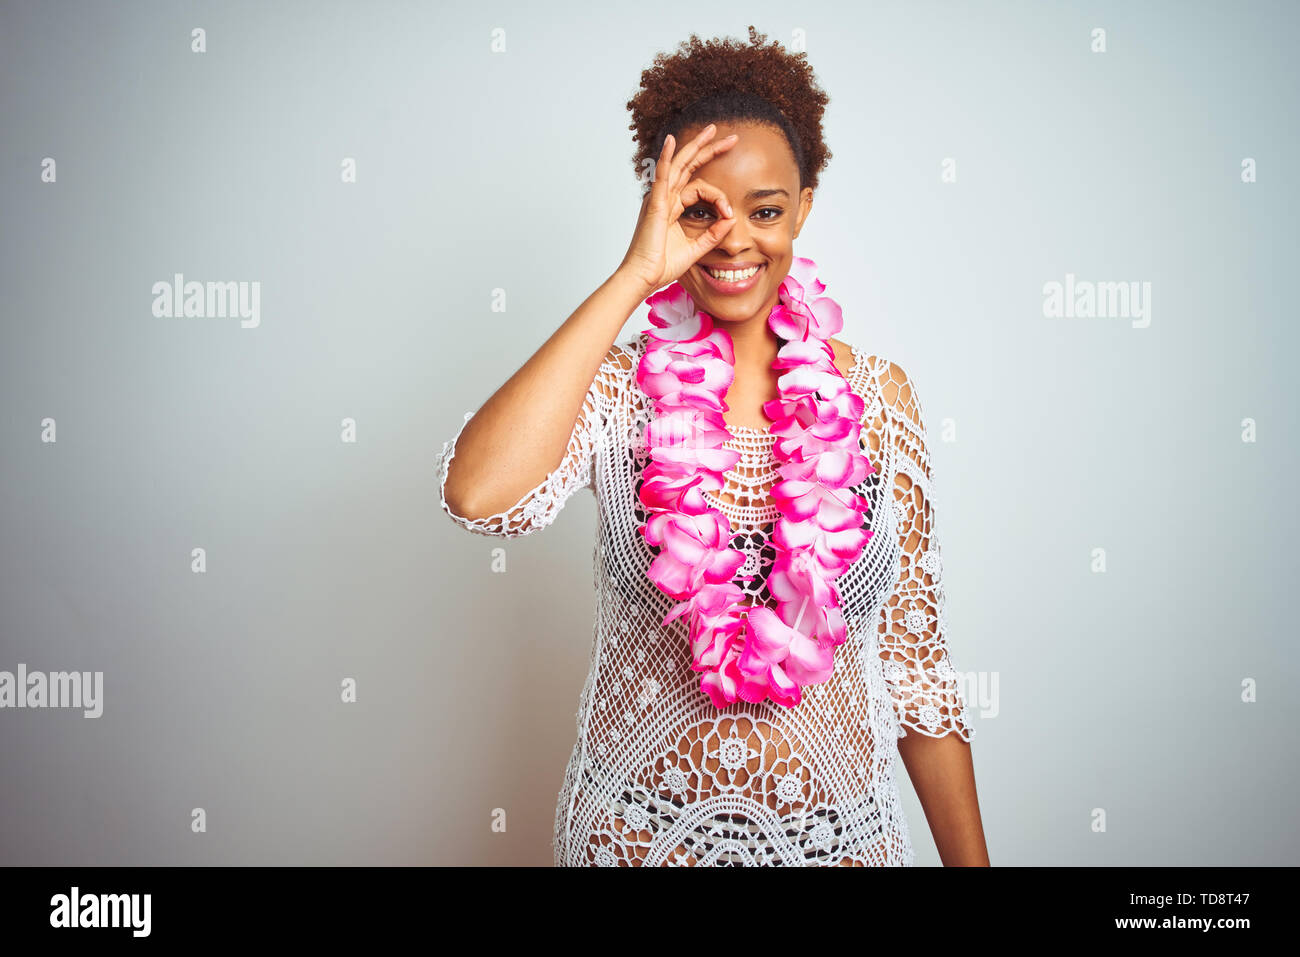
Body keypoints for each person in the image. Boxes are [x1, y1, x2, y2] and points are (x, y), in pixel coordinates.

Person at [436, 26, 989, 866]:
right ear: (662, 210)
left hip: (840, 843)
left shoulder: (880, 400)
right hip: (635, 839)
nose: (732, 241)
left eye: (765, 210)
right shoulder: (619, 390)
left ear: (803, 207)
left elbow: (919, 675)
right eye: (701, 211)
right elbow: (478, 497)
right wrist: (634, 276)